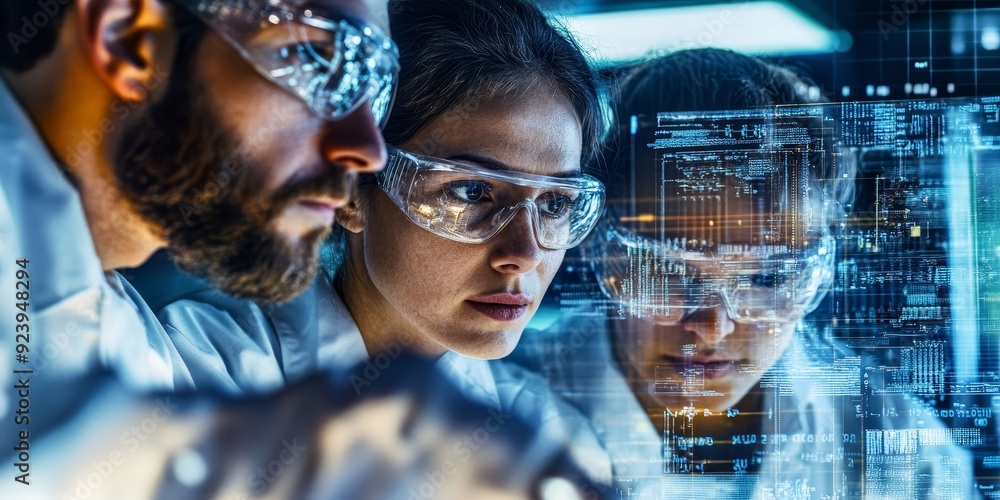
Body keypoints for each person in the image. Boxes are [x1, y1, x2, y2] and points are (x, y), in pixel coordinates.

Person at [506, 48, 976, 499]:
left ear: (816, 274)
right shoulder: (498, 406)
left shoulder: (895, 448)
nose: (712, 327)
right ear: (599, 249)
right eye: (668, 271)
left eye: (768, 280)